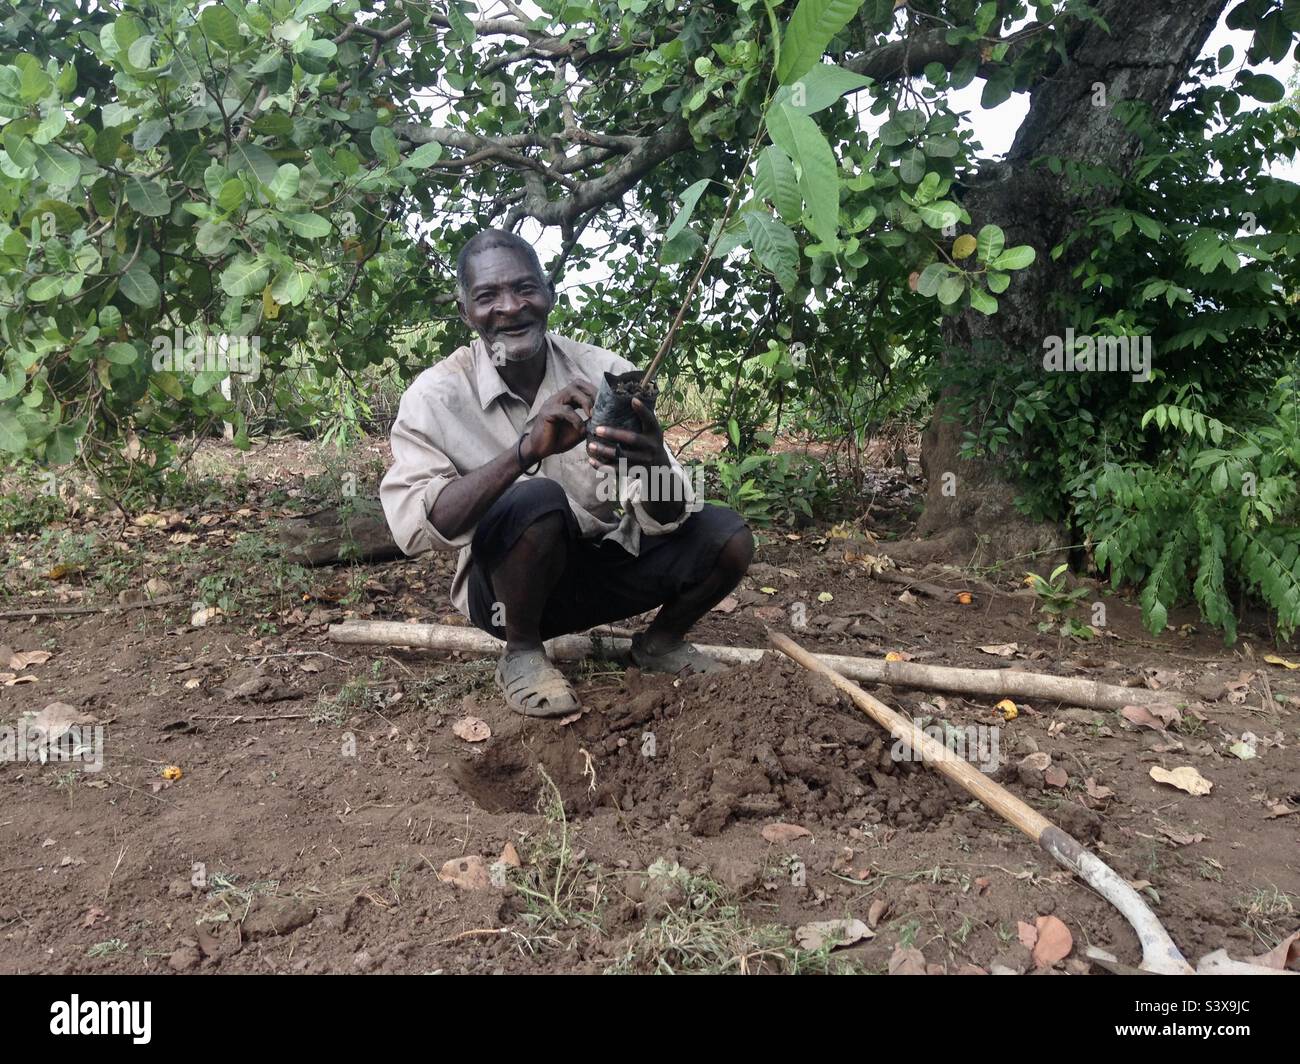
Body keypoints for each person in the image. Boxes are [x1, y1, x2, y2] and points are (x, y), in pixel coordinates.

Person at [381, 229, 754, 717]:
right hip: (506, 596)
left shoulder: (604, 373)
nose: (510, 307)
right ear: (465, 312)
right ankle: (522, 654)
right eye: (488, 296)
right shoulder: (435, 397)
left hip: (603, 574)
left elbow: (669, 513)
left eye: (525, 288)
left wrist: (654, 458)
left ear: (549, 294)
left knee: (728, 536)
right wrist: (523, 452)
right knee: (535, 498)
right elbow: (417, 527)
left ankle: (660, 644)